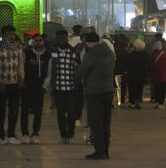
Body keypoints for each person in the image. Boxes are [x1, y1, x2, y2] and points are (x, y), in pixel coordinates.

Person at [75, 32, 115, 160]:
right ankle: (106, 150)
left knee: (96, 122)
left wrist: (76, 69)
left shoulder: (91, 55)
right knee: (106, 122)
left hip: (94, 92)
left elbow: (81, 73)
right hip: (108, 90)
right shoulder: (110, 53)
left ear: (89, 43)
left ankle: (99, 151)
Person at [0, 25, 25, 145]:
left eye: (13, 34)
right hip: (2, 84)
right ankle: (0, 135)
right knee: (1, 111)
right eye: (9, 34)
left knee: (14, 110)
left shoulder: (18, 48)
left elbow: (20, 64)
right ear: (4, 35)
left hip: (14, 83)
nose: (12, 36)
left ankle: (11, 134)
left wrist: (21, 77)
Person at [45, 29, 78, 143]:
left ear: (67, 38)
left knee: (71, 113)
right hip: (58, 87)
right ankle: (63, 135)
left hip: (71, 87)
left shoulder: (73, 51)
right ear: (57, 38)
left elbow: (77, 66)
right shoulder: (52, 51)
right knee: (60, 113)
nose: (62, 40)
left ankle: (71, 135)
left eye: (64, 38)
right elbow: (50, 68)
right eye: (60, 38)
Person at [21, 32, 49, 144]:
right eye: (36, 40)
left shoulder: (47, 55)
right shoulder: (26, 54)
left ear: (43, 42)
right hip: (27, 86)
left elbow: (49, 72)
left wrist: (45, 85)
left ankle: (35, 133)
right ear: (32, 42)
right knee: (24, 111)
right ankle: (25, 134)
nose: (38, 42)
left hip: (40, 87)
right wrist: (22, 80)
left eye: (40, 40)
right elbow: (21, 67)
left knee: (38, 112)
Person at [149, 41, 166, 109]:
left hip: (155, 76)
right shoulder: (165, 54)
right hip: (164, 76)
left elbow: (150, 65)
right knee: (162, 90)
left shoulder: (152, 54)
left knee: (156, 89)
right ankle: (161, 103)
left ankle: (158, 102)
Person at [126, 39, 148, 108]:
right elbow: (149, 64)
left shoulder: (131, 54)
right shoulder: (145, 54)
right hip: (141, 74)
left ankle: (132, 103)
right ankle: (138, 102)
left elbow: (127, 65)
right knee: (139, 89)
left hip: (132, 75)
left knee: (132, 89)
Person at [113, 39, 129, 107]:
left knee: (118, 86)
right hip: (124, 71)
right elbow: (128, 62)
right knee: (123, 86)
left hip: (116, 71)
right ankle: (122, 99)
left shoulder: (115, 52)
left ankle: (119, 99)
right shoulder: (127, 53)